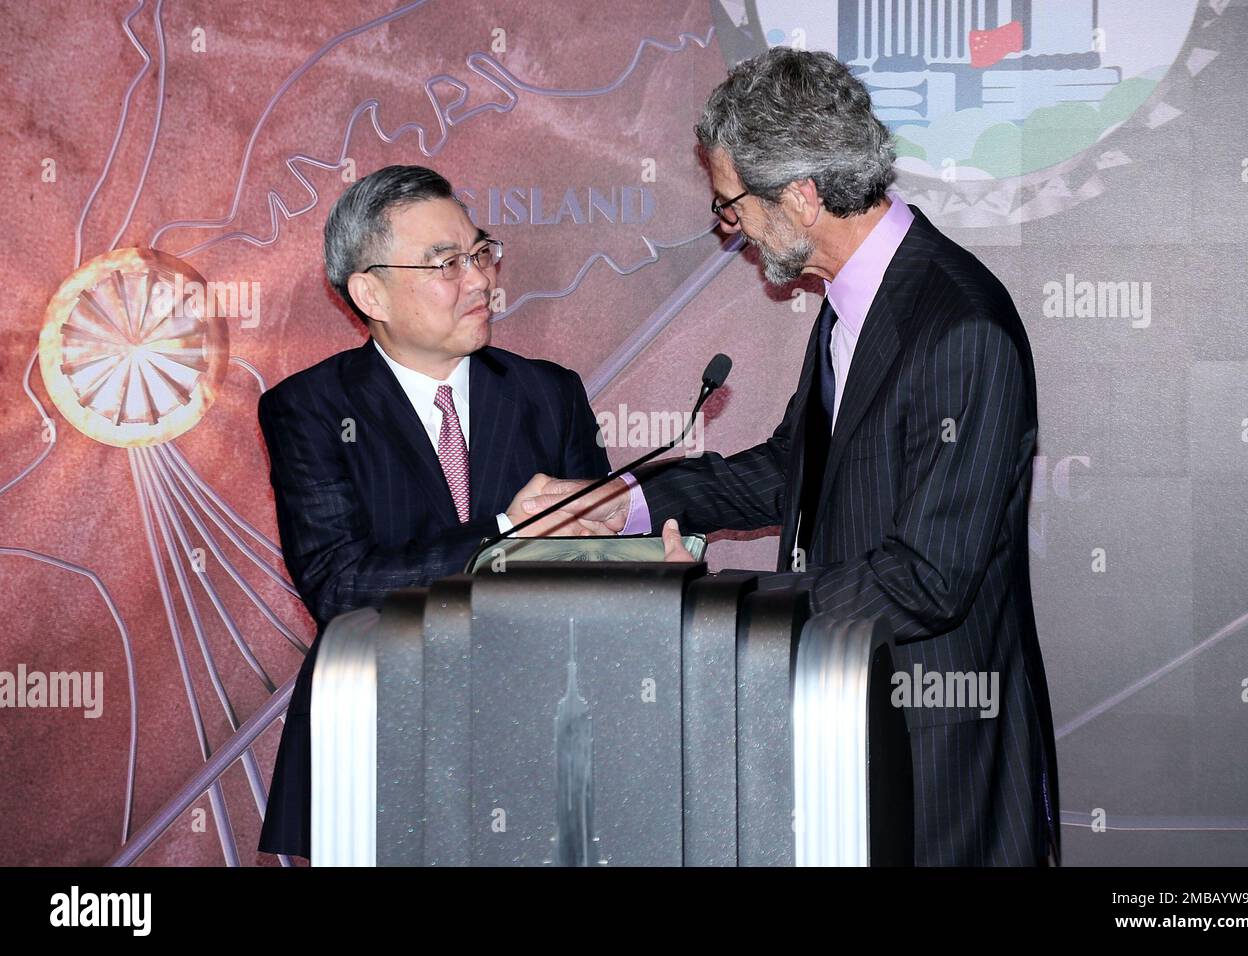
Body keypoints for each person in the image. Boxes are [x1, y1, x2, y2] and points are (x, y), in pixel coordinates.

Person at [526, 49, 1060, 866]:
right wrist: (624, 504)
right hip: (848, 720)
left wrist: (715, 605)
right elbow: (793, 471)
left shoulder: (959, 327)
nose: (728, 228)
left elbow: (928, 581)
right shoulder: (856, 302)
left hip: (936, 751)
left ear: (803, 196)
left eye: (731, 203)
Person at [257, 164, 609, 860]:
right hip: (376, 743)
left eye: (480, 253)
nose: (480, 280)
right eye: (446, 263)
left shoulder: (550, 393)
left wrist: (647, 558)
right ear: (370, 291)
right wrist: (507, 533)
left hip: (535, 744)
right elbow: (342, 584)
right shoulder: (311, 410)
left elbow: (592, 571)